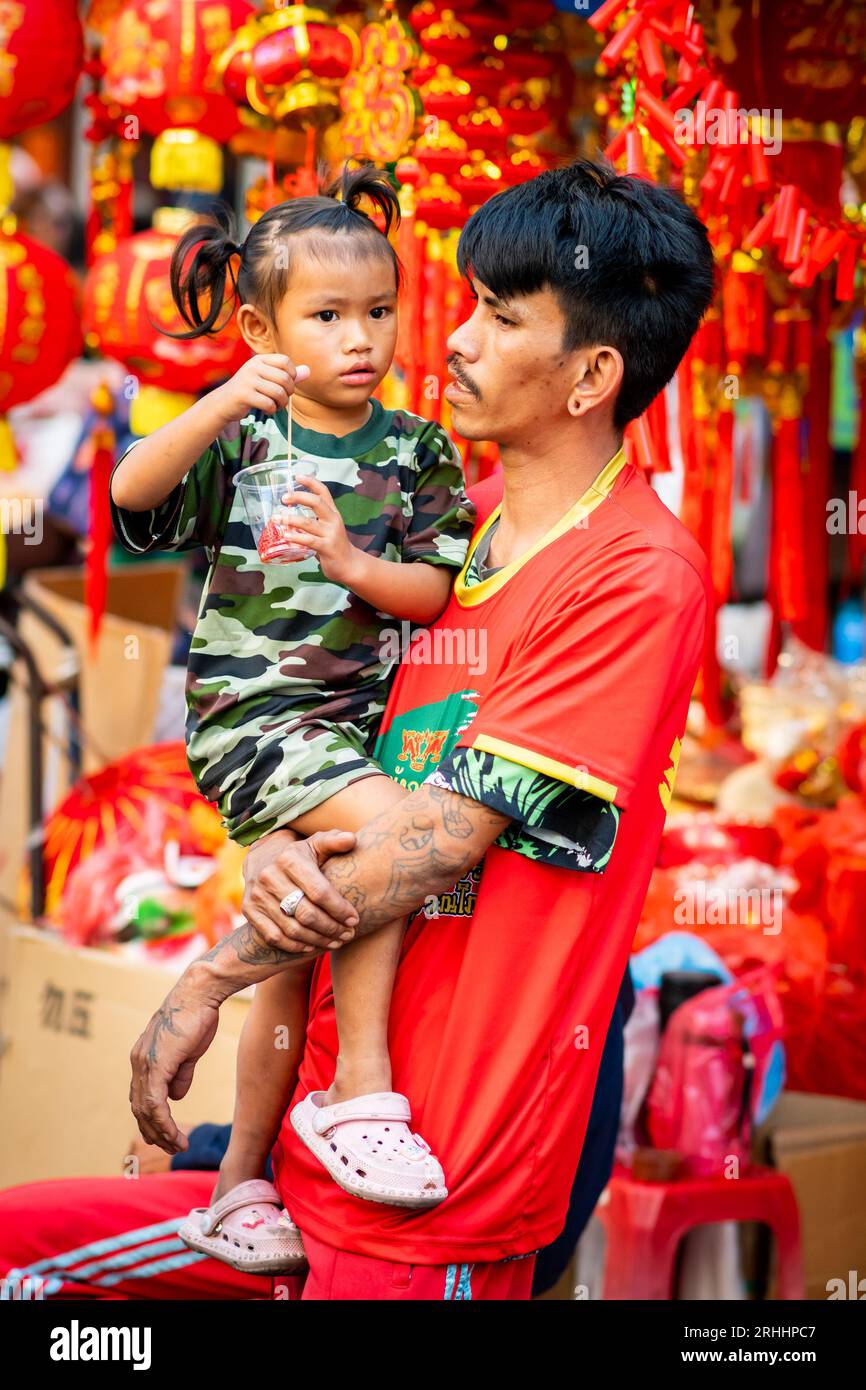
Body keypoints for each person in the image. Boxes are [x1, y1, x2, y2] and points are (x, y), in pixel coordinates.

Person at [129, 158, 715, 1301]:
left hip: (443, 1164)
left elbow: (442, 841)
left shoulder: (637, 576)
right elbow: (343, 740)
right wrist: (286, 844)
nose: (447, 340)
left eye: (497, 319)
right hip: (323, 1141)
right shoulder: (456, 532)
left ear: (592, 372)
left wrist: (207, 979)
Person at [111, 165, 476, 1266]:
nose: (360, 338)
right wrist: (220, 400)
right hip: (259, 716)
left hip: (359, 723)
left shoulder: (414, 449)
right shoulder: (244, 436)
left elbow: (434, 589)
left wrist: (349, 559)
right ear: (260, 327)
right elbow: (133, 492)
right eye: (327, 317)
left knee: (299, 937)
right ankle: (360, 1092)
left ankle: (239, 1185)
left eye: (378, 312)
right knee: (391, 834)